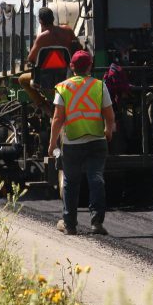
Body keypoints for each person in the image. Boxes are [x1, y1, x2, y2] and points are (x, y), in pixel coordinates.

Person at [50, 50, 115, 236]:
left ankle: (69, 225)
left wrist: (52, 143)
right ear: (90, 66)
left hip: (72, 143)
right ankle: (97, 223)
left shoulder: (63, 87)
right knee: (96, 178)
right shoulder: (99, 86)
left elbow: (57, 118)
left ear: (71, 66)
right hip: (97, 141)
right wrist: (108, 131)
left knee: (71, 182)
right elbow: (109, 114)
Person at [19, 7, 80, 112]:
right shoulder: (68, 31)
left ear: (40, 21)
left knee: (22, 79)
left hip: (44, 80)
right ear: (53, 18)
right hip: (67, 76)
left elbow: (31, 58)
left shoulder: (42, 37)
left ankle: (44, 106)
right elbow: (77, 48)